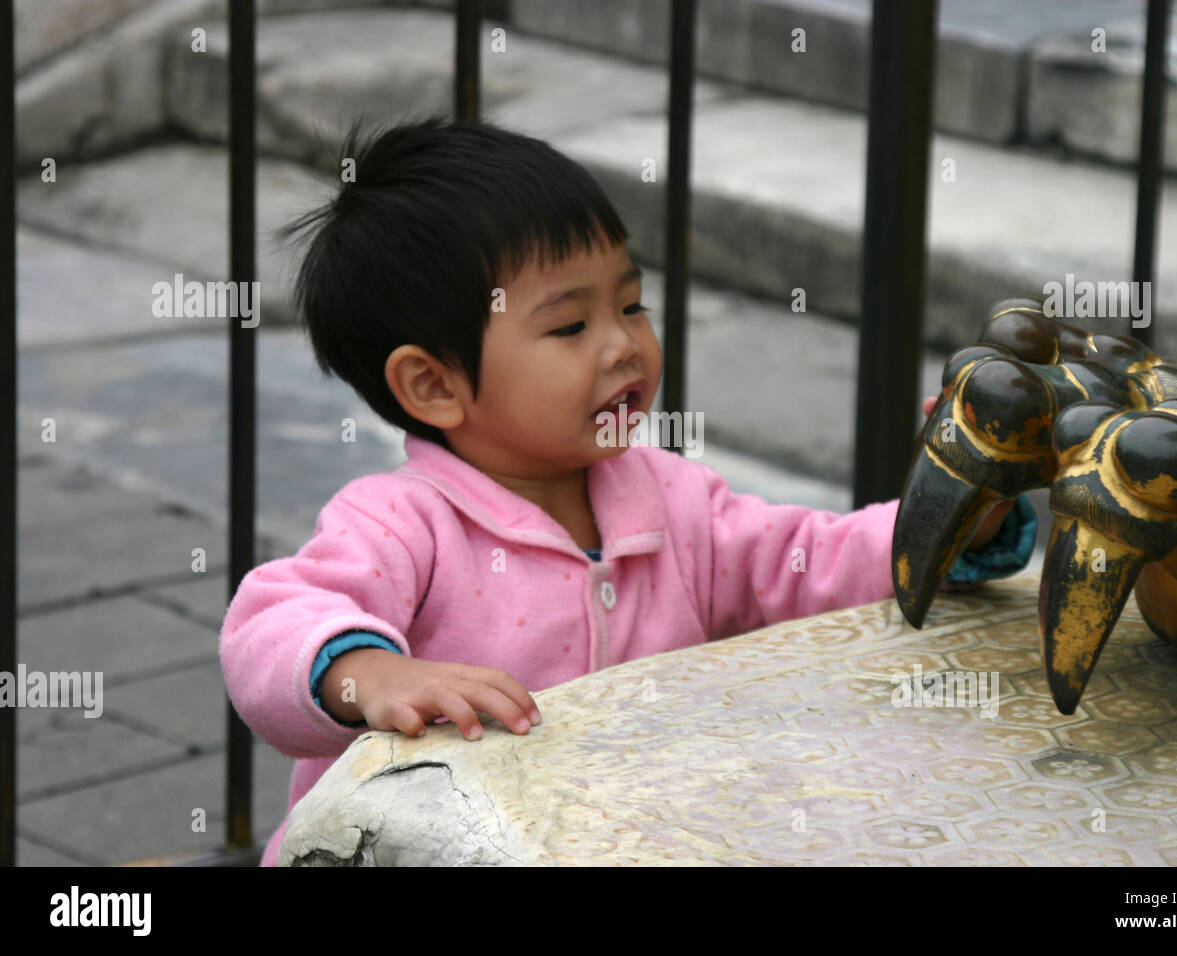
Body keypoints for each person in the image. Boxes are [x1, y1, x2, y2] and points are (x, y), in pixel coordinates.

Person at [219, 114, 1037, 866]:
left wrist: (958, 508)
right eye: (570, 326)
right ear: (434, 385)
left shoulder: (671, 501)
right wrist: (371, 675)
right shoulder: (402, 523)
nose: (623, 346)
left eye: (632, 304)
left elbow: (809, 563)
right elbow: (270, 630)